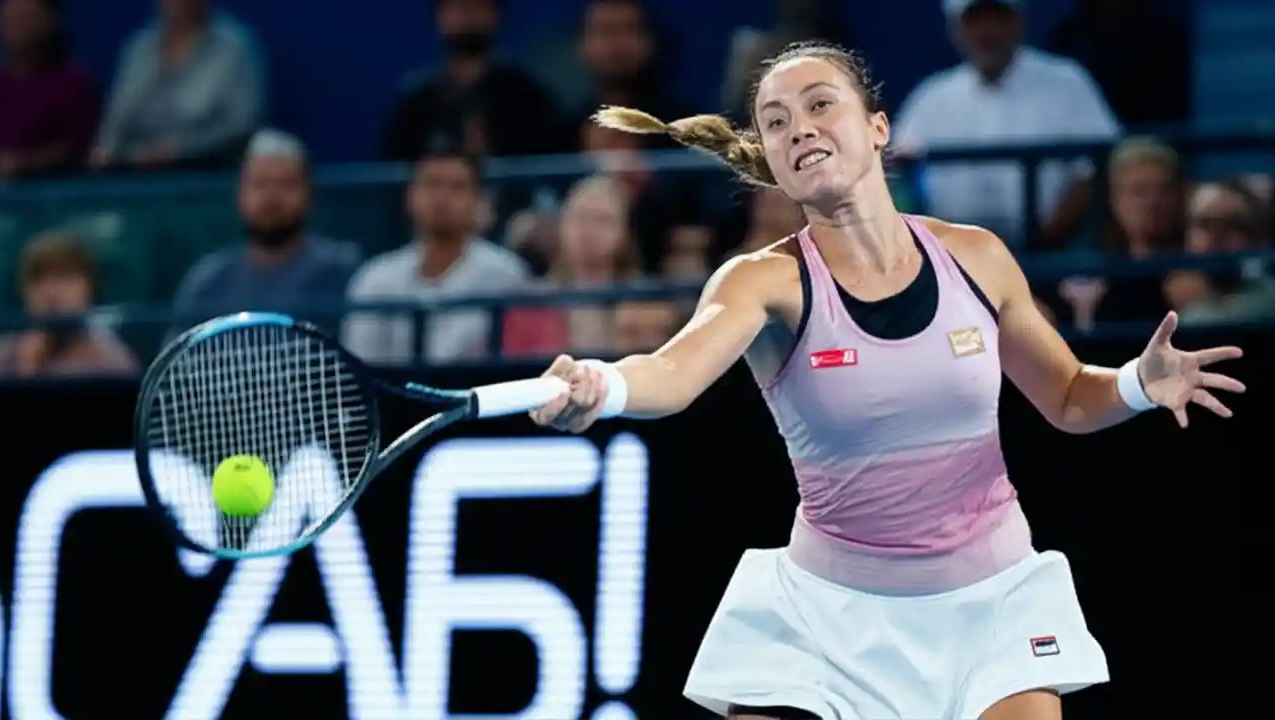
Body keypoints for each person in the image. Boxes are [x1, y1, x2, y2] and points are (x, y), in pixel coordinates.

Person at [528, 40, 1245, 720]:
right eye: (775, 123)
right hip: (825, 619)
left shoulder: (977, 258)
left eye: (818, 105)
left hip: (992, 606)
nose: (798, 128)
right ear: (771, 160)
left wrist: (1134, 384)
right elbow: (670, 375)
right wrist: (602, 385)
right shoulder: (762, 281)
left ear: (878, 127)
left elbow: (1063, 395)